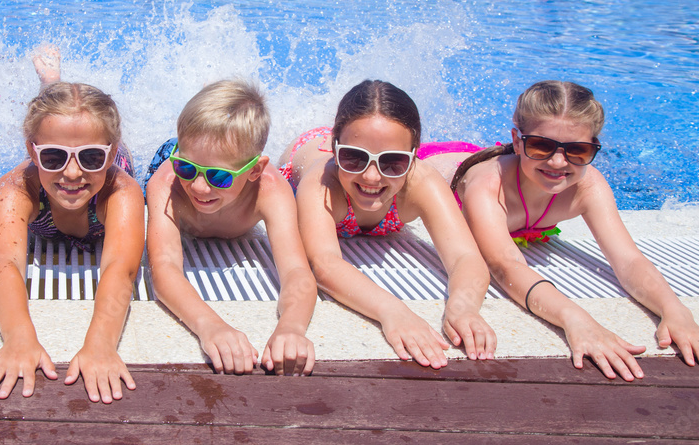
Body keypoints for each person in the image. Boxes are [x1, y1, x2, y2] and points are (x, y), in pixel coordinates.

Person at [451, 81, 699, 381]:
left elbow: (628, 260)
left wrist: (674, 309)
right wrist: (576, 319)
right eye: (541, 146)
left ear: (593, 146)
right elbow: (506, 266)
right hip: (449, 166)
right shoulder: (489, 187)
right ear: (517, 141)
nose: (557, 162)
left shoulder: (587, 185)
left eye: (577, 151)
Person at [283, 80, 496, 368]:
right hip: (310, 150)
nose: (372, 177)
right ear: (336, 150)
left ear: (413, 157)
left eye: (393, 162)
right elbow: (324, 264)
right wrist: (393, 311)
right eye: (354, 158)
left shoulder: (421, 181)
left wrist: (464, 306)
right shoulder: (321, 185)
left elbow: (465, 256)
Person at [0, 81, 144, 403]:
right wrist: (18, 337)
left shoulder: (119, 190)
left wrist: (101, 343)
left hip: (113, 169)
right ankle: (35, 91)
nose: (73, 173)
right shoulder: (16, 189)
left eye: (91, 156)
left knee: (76, 129)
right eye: (53, 156)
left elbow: (120, 267)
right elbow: (4, 263)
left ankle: (60, 103)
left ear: (109, 151)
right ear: (31, 151)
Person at [145, 81, 317, 376]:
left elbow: (296, 272)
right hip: (169, 156)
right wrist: (211, 327)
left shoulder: (270, 190)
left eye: (218, 177)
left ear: (254, 170)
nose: (198, 187)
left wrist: (291, 327)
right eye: (188, 169)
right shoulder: (167, 182)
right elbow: (164, 269)